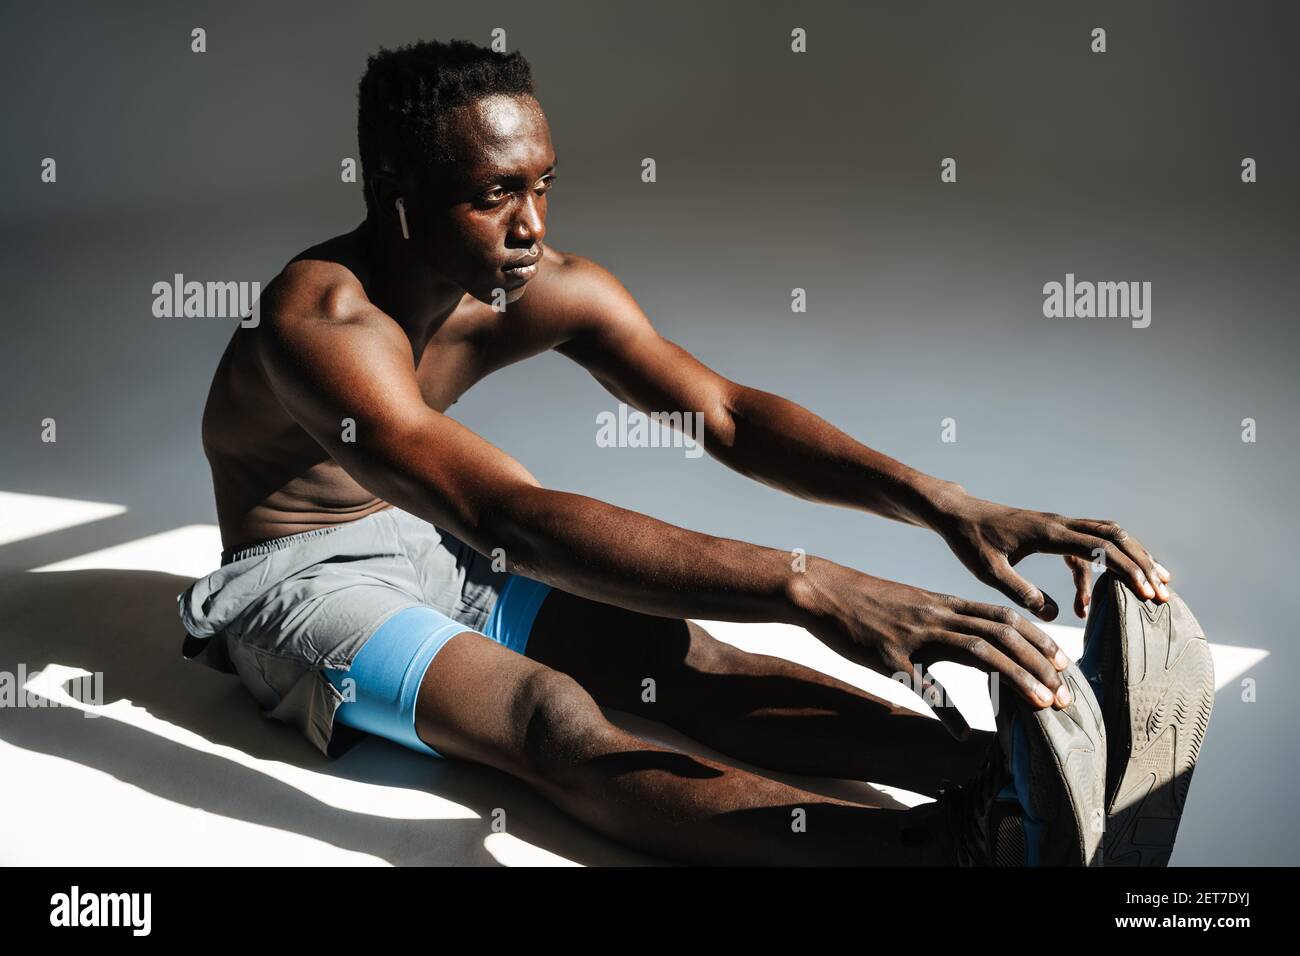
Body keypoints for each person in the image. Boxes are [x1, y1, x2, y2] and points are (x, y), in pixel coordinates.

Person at [178, 38, 1210, 866]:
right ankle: (955, 846)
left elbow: (723, 412)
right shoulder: (319, 323)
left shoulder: (543, 283)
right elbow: (505, 519)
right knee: (551, 715)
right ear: (397, 192)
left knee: (685, 659)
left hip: (429, 530)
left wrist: (945, 502)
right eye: (494, 194)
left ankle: (1027, 778)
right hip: (304, 577)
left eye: (543, 185)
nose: (531, 226)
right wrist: (810, 583)